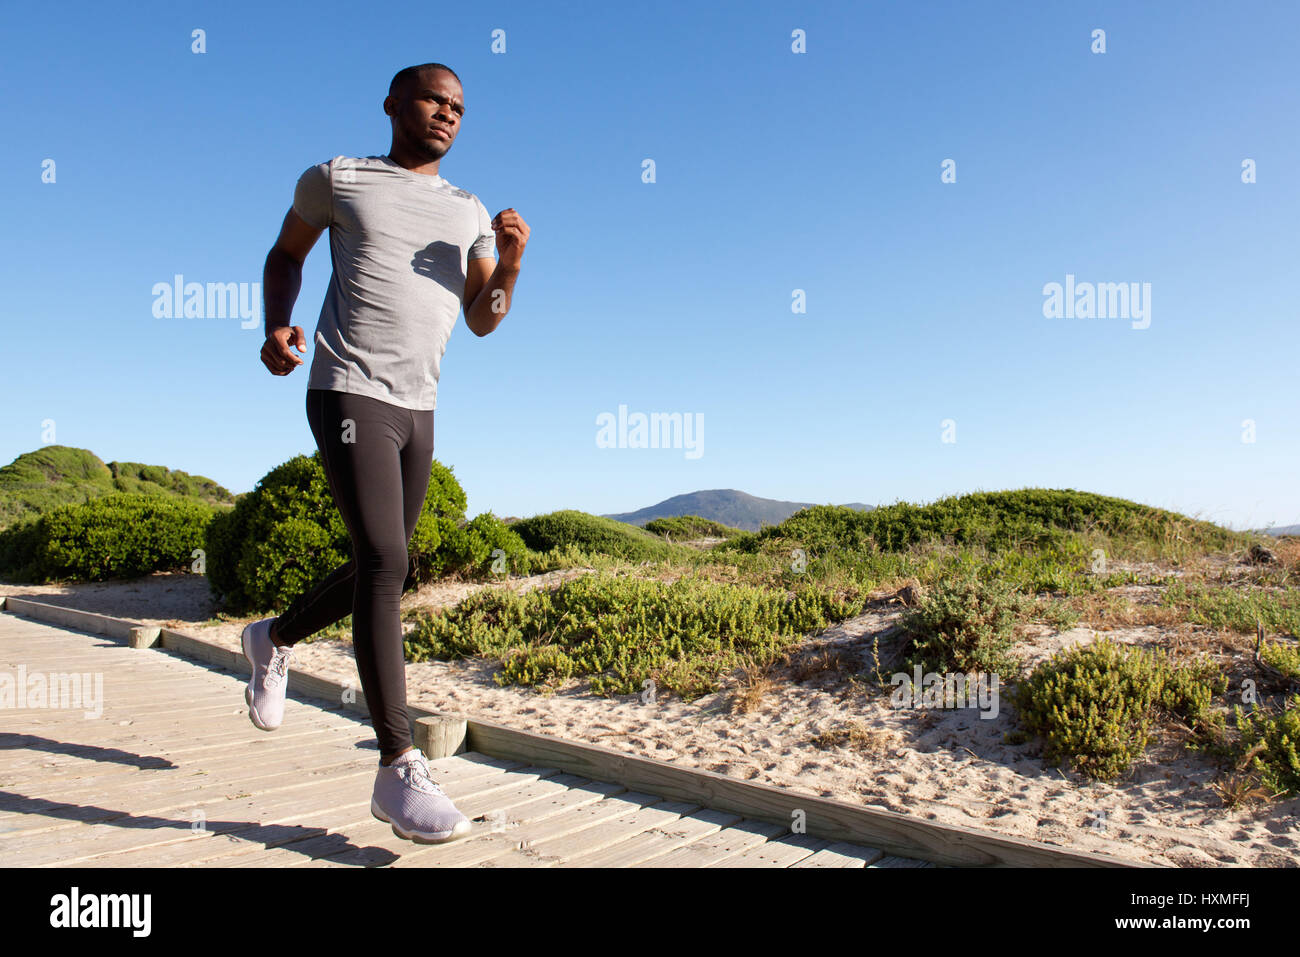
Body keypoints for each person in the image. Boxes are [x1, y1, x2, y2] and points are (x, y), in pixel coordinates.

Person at [240, 61, 529, 845]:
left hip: (419, 405)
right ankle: (397, 765)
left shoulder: (467, 209)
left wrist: (507, 261)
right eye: (435, 99)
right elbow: (285, 255)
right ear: (395, 104)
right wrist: (276, 323)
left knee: (389, 564)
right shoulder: (340, 179)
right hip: (346, 387)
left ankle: (274, 636)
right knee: (382, 560)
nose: (448, 114)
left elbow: (483, 319)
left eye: (460, 108)